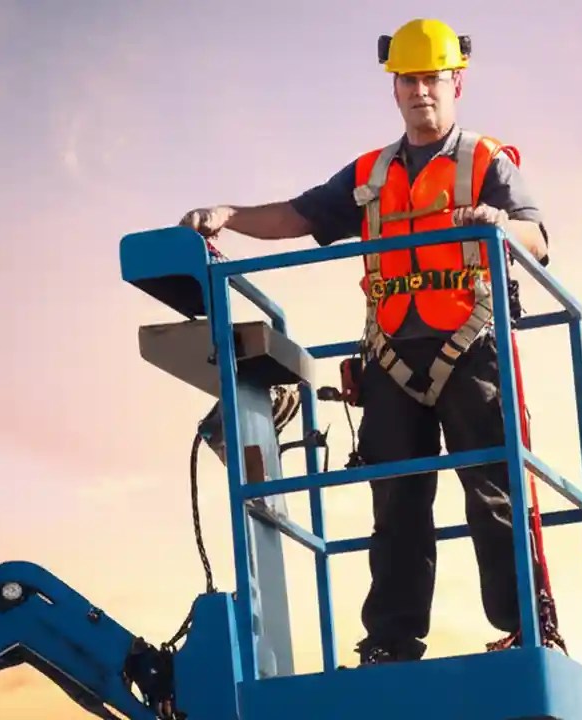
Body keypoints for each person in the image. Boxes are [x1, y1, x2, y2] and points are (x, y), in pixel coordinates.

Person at [179, 17, 553, 665]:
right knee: (397, 503)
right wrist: (229, 217)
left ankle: (525, 626)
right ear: (394, 89)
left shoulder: (487, 163)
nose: (420, 91)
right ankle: (390, 641)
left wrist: (498, 223)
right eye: (408, 79)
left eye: (432, 77)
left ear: (455, 81)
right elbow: (299, 214)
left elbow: (537, 239)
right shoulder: (372, 175)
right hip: (389, 359)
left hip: (472, 349)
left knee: (493, 492)